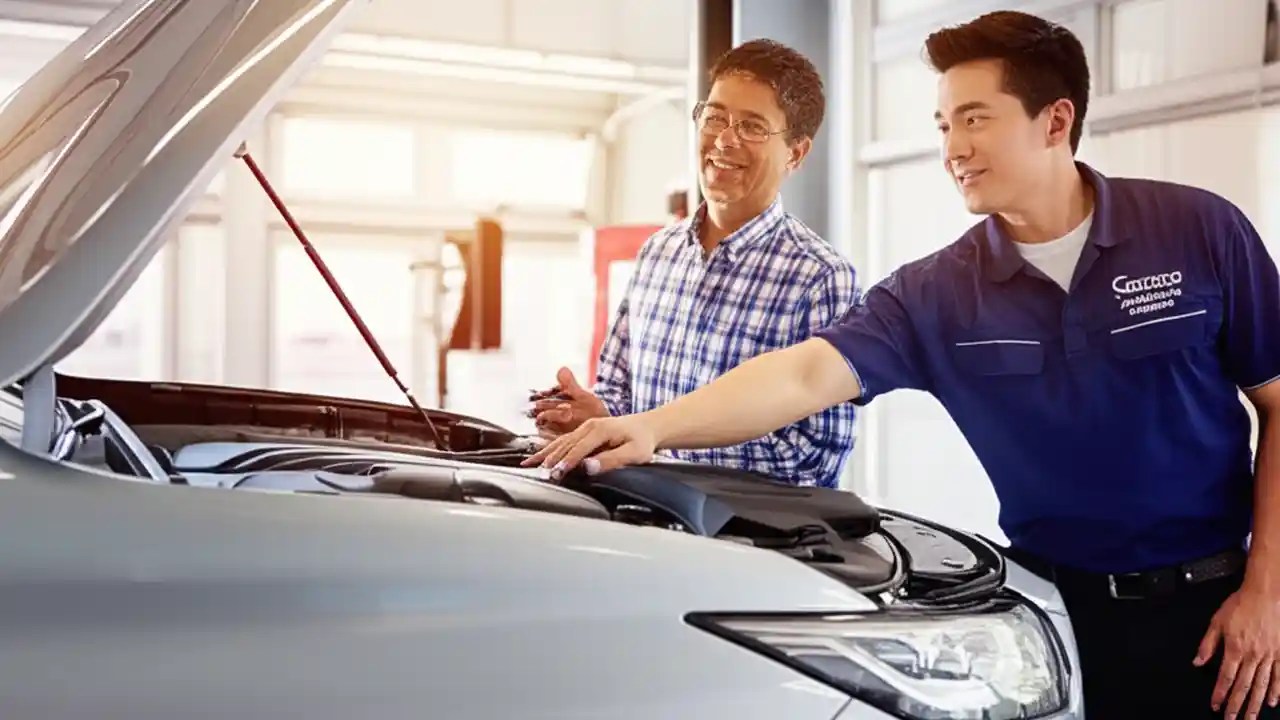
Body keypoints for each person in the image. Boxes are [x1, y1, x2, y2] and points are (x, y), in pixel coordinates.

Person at [525, 11, 1280, 720]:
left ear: (1056, 121)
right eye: (944, 124)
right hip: (1053, 618)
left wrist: (1267, 591)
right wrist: (648, 428)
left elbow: (1278, 404)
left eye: (975, 119)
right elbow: (801, 376)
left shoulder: (1195, 230)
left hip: (1222, 615)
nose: (953, 147)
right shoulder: (938, 292)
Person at [528, 38, 860, 489]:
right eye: (715, 116)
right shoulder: (658, 252)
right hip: (639, 517)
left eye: (752, 126)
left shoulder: (820, 277)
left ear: (796, 153)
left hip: (744, 543)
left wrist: (655, 440)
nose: (724, 139)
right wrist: (598, 416)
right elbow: (619, 391)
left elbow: (811, 457)